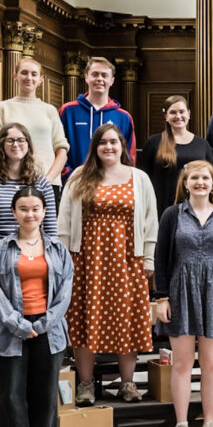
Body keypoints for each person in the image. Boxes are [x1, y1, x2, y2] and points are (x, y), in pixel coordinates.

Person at [59, 122, 159, 404]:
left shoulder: (138, 178)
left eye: (114, 141)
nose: (109, 147)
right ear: (95, 147)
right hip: (87, 260)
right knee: (84, 321)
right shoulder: (80, 176)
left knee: (127, 320)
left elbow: (151, 221)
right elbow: (64, 220)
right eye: (103, 142)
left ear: (122, 145)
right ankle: (86, 384)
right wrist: (66, 257)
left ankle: (127, 384)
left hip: (128, 259)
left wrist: (148, 257)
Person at [0, 124, 58, 421]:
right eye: (10, 140)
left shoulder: (41, 182)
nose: (15, 144)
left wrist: (52, 268)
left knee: (33, 331)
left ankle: (26, 397)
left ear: (29, 144)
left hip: (33, 262)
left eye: (21, 139)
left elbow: (52, 230)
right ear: (1, 145)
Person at [0, 186, 72, 427]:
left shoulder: (58, 249)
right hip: (10, 332)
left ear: (44, 212)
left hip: (49, 331)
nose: (29, 214)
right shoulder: (0, 249)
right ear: (14, 212)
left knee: (45, 391)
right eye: (23, 209)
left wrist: (44, 323)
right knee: (11, 393)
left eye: (35, 208)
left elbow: (65, 292)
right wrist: (18, 324)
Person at [155, 160, 213, 427]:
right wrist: (161, 297)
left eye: (205, 178)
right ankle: (181, 424)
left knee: (212, 364)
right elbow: (161, 259)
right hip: (180, 291)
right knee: (181, 363)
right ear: (185, 183)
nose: (200, 182)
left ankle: (208, 421)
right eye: (194, 178)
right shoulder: (172, 215)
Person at [0, 56, 69, 193]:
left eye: (34, 74)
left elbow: (62, 150)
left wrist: (47, 180)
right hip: (10, 182)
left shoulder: (50, 110)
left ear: (41, 79)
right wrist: (5, 176)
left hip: (47, 182)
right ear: (15, 76)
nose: (29, 77)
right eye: (24, 73)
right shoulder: (2, 107)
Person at [60, 56, 136, 178]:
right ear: (86, 77)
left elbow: (129, 155)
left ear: (112, 81)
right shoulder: (68, 111)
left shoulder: (123, 117)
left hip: (111, 183)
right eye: (95, 74)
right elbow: (58, 147)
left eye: (104, 75)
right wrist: (70, 175)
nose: (99, 79)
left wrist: (120, 179)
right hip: (75, 181)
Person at [141, 94, 211, 209]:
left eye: (182, 111)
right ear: (166, 116)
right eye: (173, 112)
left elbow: (211, 177)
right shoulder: (153, 142)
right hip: (161, 207)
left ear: (189, 113)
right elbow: (144, 179)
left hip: (195, 208)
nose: (178, 116)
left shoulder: (202, 144)